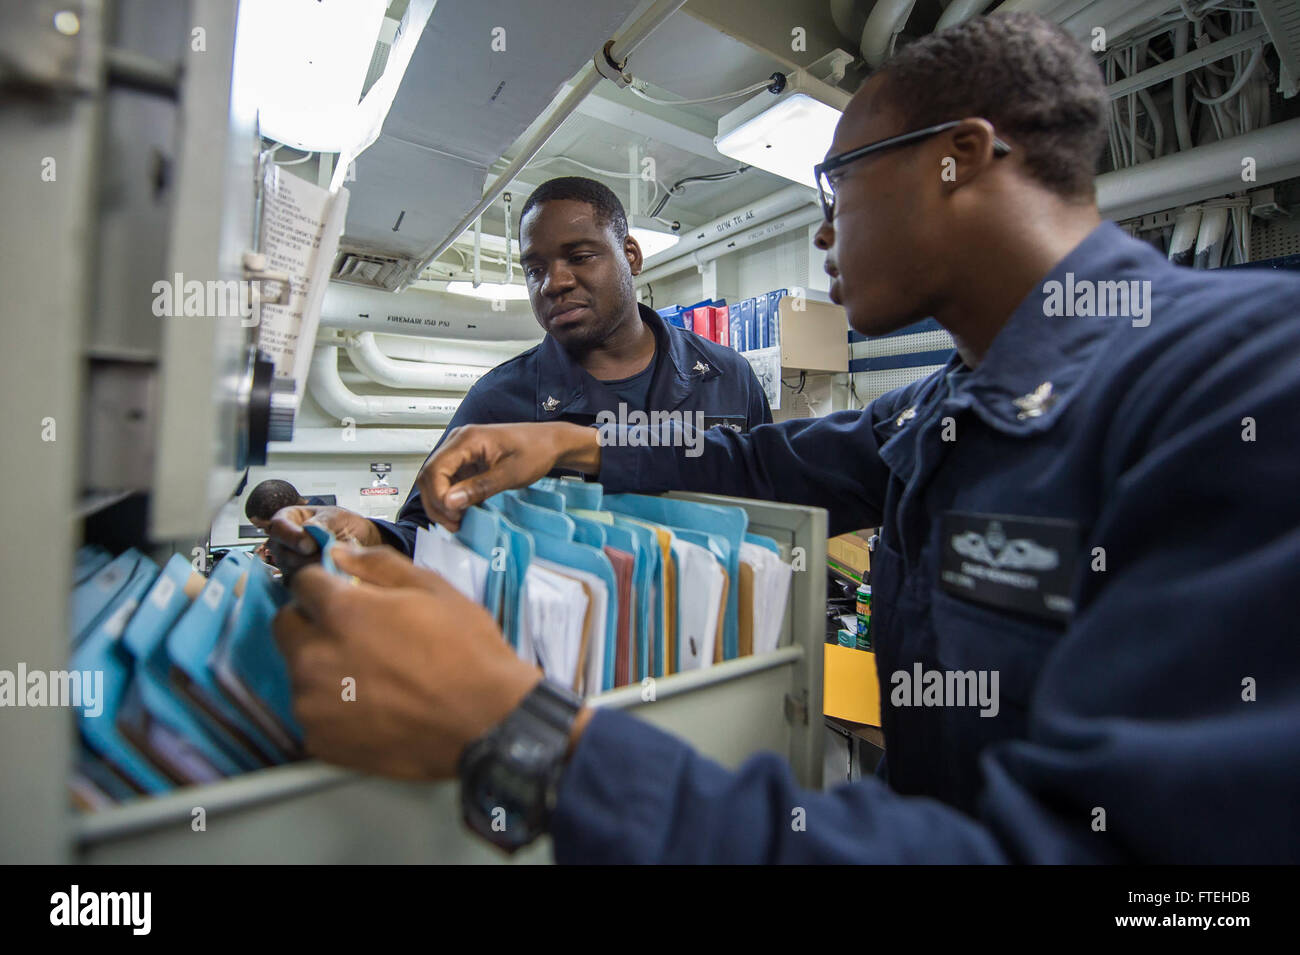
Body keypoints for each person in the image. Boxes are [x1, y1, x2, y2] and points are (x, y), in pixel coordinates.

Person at [271, 13, 1300, 862]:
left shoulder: (1244, 374)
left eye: (835, 182)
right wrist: (569, 447)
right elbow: (762, 463)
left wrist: (535, 738)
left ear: (961, 158)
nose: (819, 230)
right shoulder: (944, 405)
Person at [270, 176, 771, 558]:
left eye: (579, 256)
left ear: (631, 256)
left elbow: (772, 514)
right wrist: (370, 534)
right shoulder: (500, 400)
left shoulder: (728, 377)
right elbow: (430, 531)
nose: (554, 283)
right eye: (535, 269)